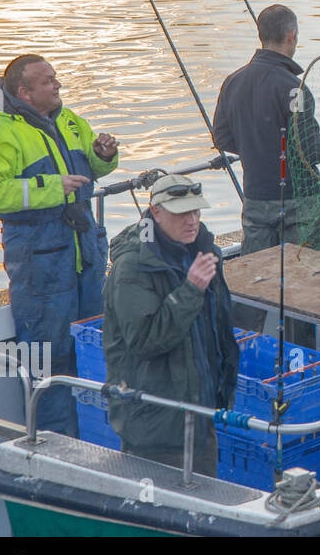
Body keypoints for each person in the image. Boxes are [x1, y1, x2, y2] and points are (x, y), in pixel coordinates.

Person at [0, 55, 120, 436]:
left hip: (85, 259)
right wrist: (53, 188)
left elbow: (95, 168)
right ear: (24, 92)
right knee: (48, 364)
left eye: (56, 79)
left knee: (91, 351)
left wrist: (103, 155)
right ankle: (54, 445)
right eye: (49, 81)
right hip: (40, 267)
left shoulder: (69, 121)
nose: (58, 85)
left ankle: (97, 438)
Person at [102, 175, 240, 475]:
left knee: (206, 505)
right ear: (156, 212)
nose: (192, 221)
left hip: (200, 414)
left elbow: (218, 333)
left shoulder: (202, 251)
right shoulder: (132, 267)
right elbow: (143, 340)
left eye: (196, 211)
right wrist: (190, 290)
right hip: (155, 425)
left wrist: (221, 393)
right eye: (181, 213)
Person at [213, 4, 320, 255]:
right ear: (292, 36)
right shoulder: (293, 87)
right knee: (307, 271)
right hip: (300, 200)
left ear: (261, 36)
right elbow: (311, 150)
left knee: (257, 276)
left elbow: (221, 137)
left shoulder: (232, 82)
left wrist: (255, 147)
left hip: (256, 198)